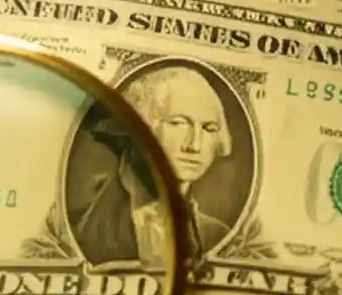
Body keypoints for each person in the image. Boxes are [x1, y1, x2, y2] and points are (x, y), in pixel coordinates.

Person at [71, 64, 234, 267]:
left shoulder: (219, 235)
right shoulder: (85, 231)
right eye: (178, 123)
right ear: (141, 129)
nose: (194, 146)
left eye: (209, 128)